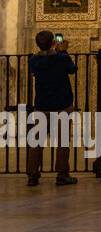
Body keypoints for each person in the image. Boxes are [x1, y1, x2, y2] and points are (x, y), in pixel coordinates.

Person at [27, 31, 77, 186]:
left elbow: (37, 70)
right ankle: (62, 174)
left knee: (36, 142)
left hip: (42, 106)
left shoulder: (34, 60)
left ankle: (33, 175)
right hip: (61, 105)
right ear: (54, 42)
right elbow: (72, 69)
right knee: (62, 142)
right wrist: (63, 51)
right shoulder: (61, 58)